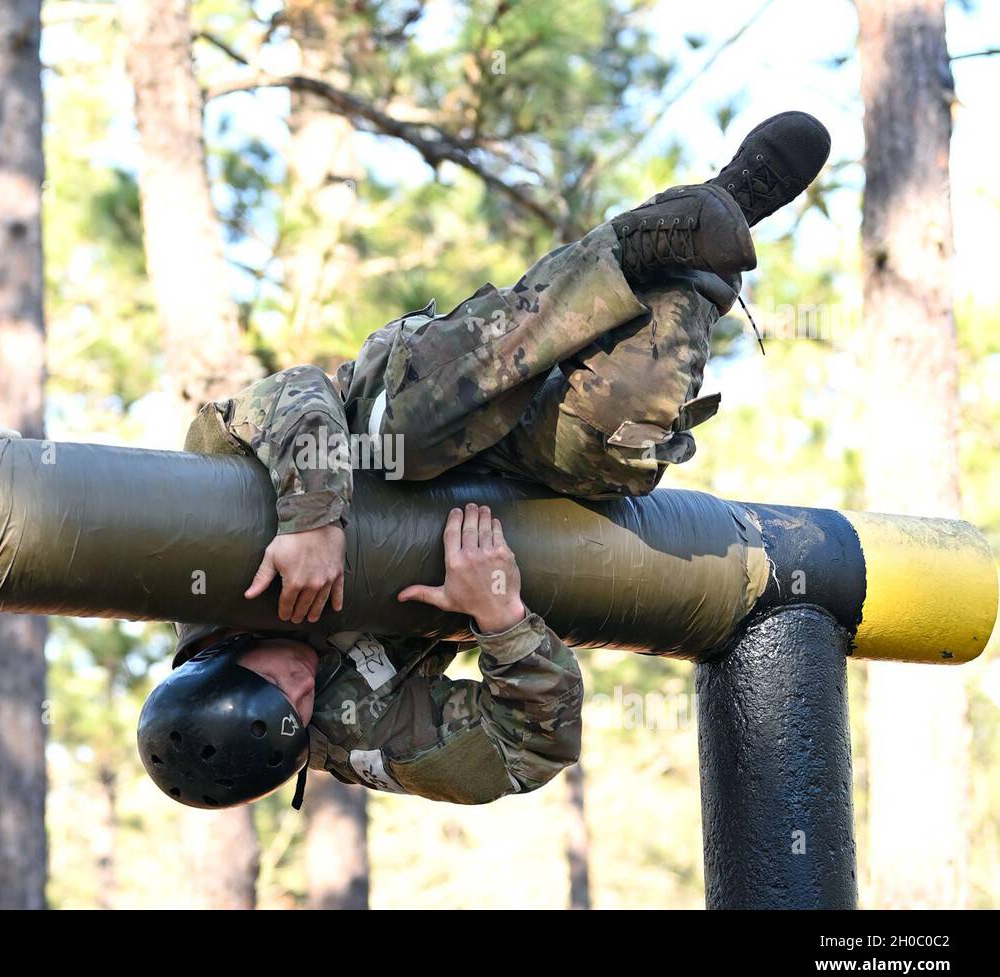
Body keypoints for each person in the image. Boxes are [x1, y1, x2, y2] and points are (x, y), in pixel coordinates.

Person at [138, 111, 831, 809]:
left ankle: (625, 249)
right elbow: (524, 752)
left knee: (412, 432)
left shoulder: (212, 555)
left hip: (406, 411)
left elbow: (288, 394)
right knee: (631, 427)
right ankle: (714, 226)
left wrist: (311, 517)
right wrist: (501, 620)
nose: (302, 690)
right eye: (295, 716)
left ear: (216, 664)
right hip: (513, 485)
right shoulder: (340, 727)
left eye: (274, 686)